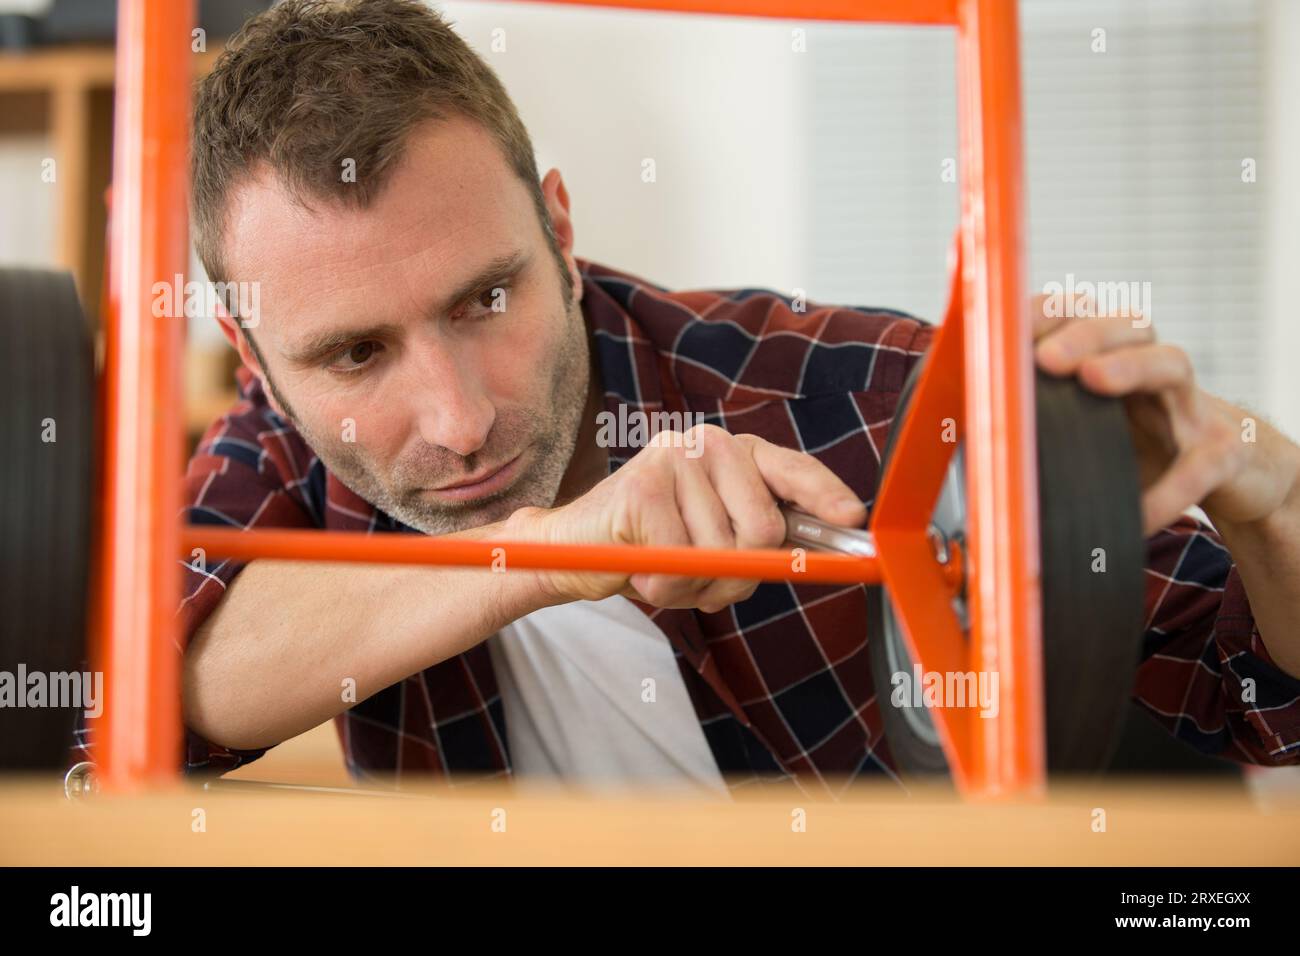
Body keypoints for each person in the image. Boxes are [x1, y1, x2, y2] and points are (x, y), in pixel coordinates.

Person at [78, 0, 1300, 796]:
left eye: (485, 301)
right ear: (255, 350)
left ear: (559, 228)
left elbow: (1251, 699)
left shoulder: (851, 394)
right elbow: (142, 697)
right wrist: (556, 552)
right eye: (354, 355)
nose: (453, 418)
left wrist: (1274, 503)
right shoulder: (285, 451)